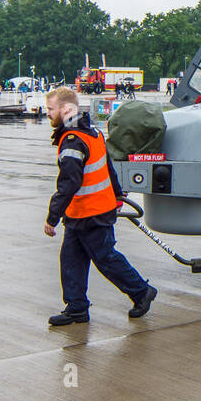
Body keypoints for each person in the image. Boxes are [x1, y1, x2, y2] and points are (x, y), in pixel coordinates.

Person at [43, 87, 157, 326]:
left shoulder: (73, 140)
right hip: (81, 213)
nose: (47, 114)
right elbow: (108, 167)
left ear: (64, 110)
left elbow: (69, 183)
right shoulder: (92, 132)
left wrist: (51, 218)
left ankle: (140, 291)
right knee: (71, 259)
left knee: (105, 258)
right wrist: (117, 194)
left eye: (50, 109)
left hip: (92, 212)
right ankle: (76, 308)